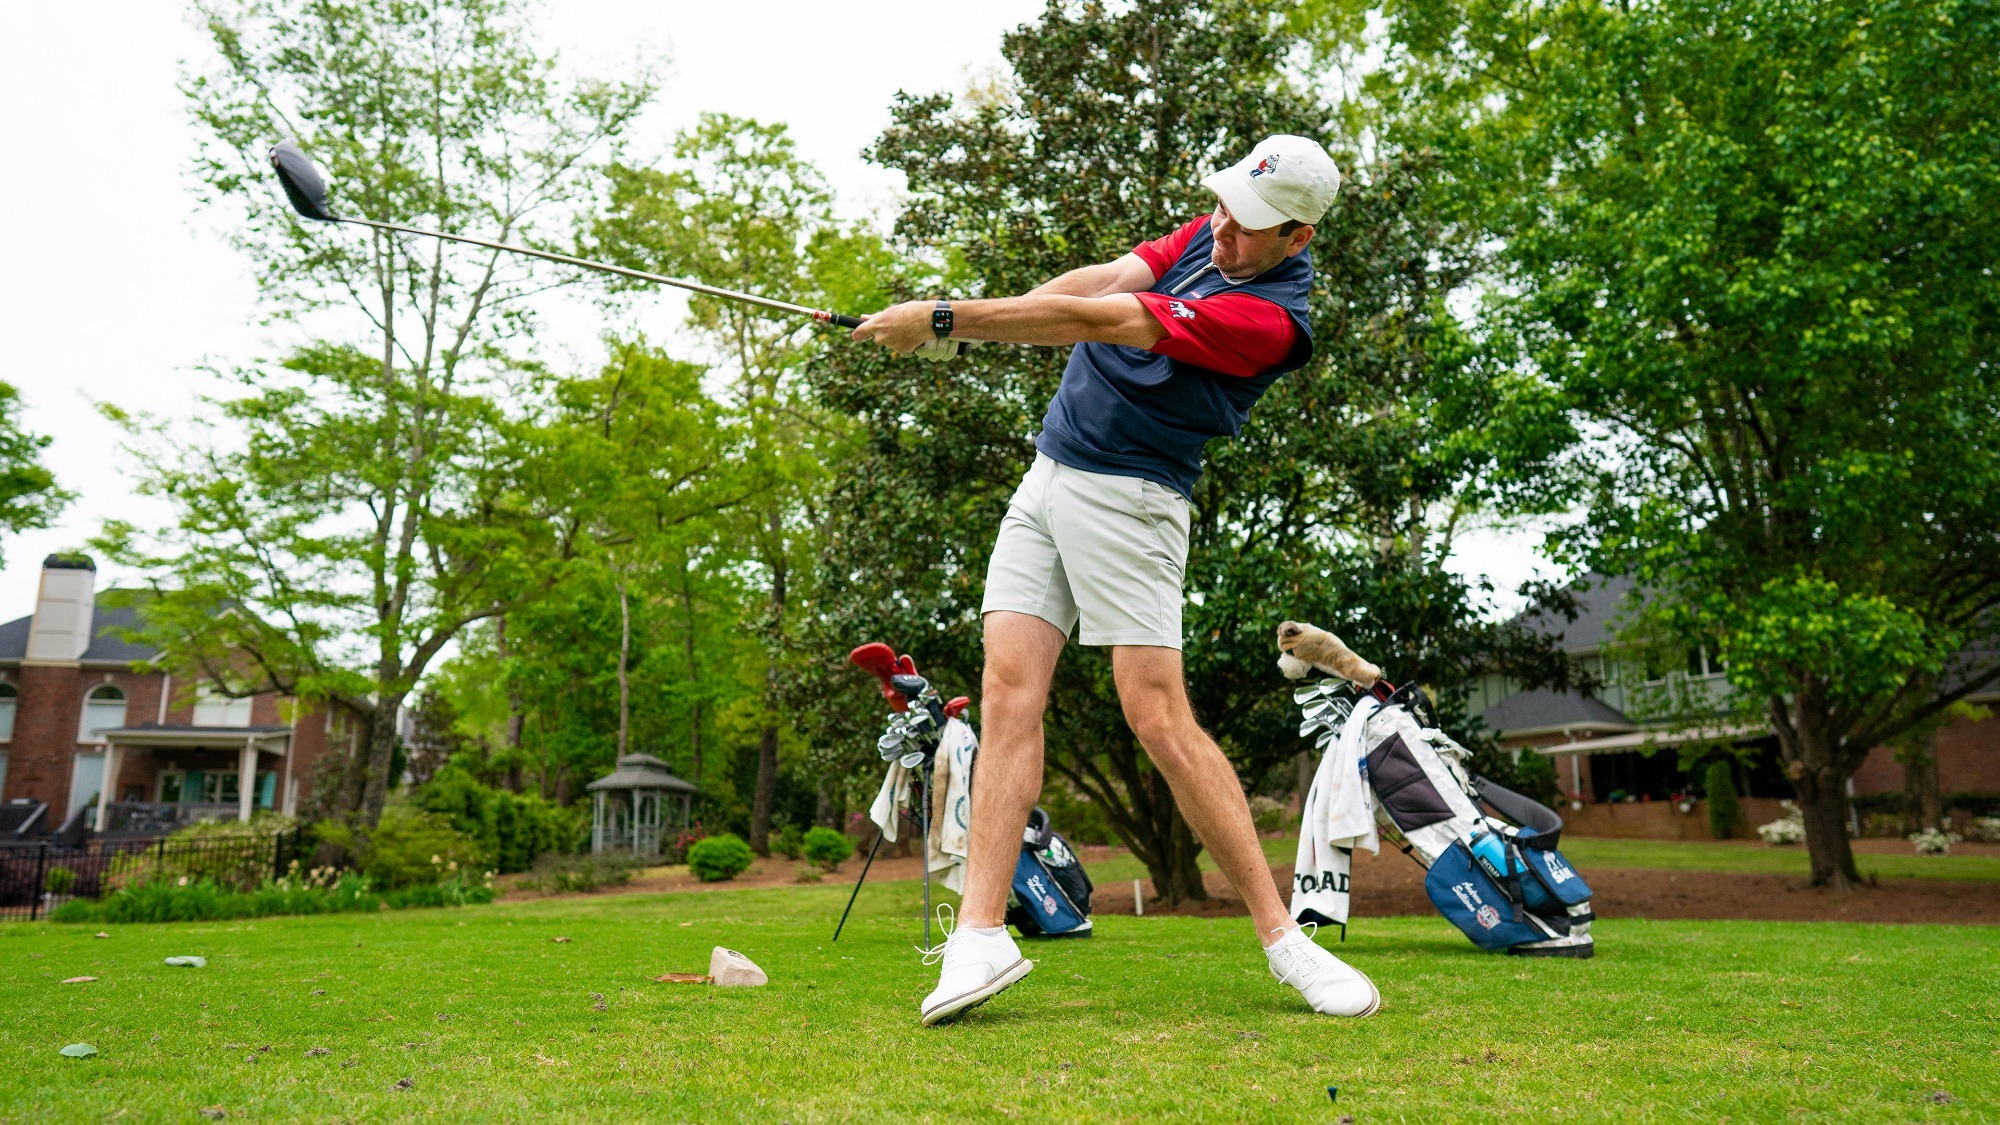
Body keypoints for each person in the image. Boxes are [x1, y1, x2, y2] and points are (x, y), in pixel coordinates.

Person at [852, 135, 1379, 1027]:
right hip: (1047, 476)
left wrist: (942, 318)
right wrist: (960, 324)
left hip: (1133, 498)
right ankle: (980, 935)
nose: (1222, 231)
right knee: (1007, 694)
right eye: (1222, 207)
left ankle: (1285, 938)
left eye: (1249, 228)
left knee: (1158, 718)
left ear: (1299, 237)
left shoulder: (1271, 324)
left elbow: (1105, 320)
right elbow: (1093, 282)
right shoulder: (1205, 236)